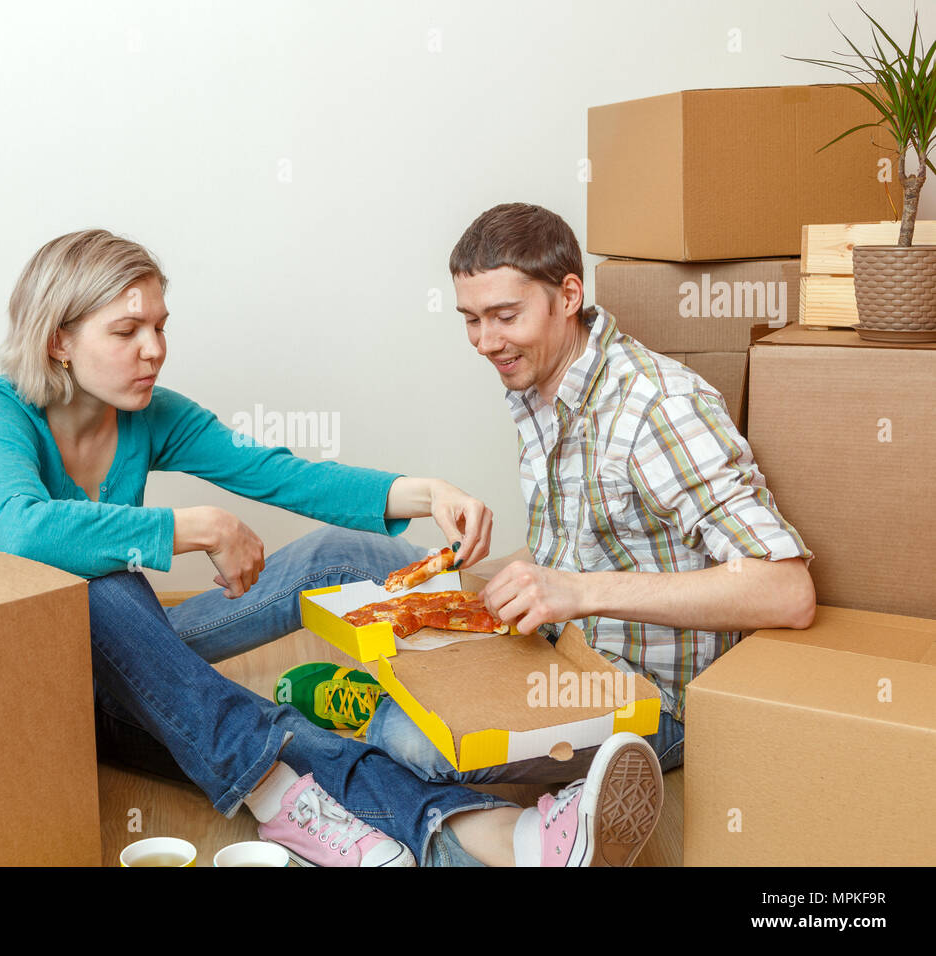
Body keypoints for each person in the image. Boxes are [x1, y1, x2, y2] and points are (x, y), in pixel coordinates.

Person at [0, 228, 666, 866]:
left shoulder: (147, 414)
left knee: (341, 558)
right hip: (28, 687)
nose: (153, 350)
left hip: (135, 654)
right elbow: (22, 529)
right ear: (59, 339)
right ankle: (472, 828)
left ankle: (505, 750)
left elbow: (279, 473)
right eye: (126, 332)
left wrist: (426, 493)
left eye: (160, 326)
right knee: (113, 592)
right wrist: (197, 527)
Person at [302, 202, 816, 789]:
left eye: (505, 315)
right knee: (346, 560)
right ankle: (386, 702)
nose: (484, 342)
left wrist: (578, 591)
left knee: (406, 736)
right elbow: (584, 548)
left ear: (568, 295)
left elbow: (787, 590)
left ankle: (373, 724)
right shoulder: (538, 389)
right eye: (471, 319)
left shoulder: (657, 407)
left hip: (650, 698)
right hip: (555, 650)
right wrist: (484, 575)